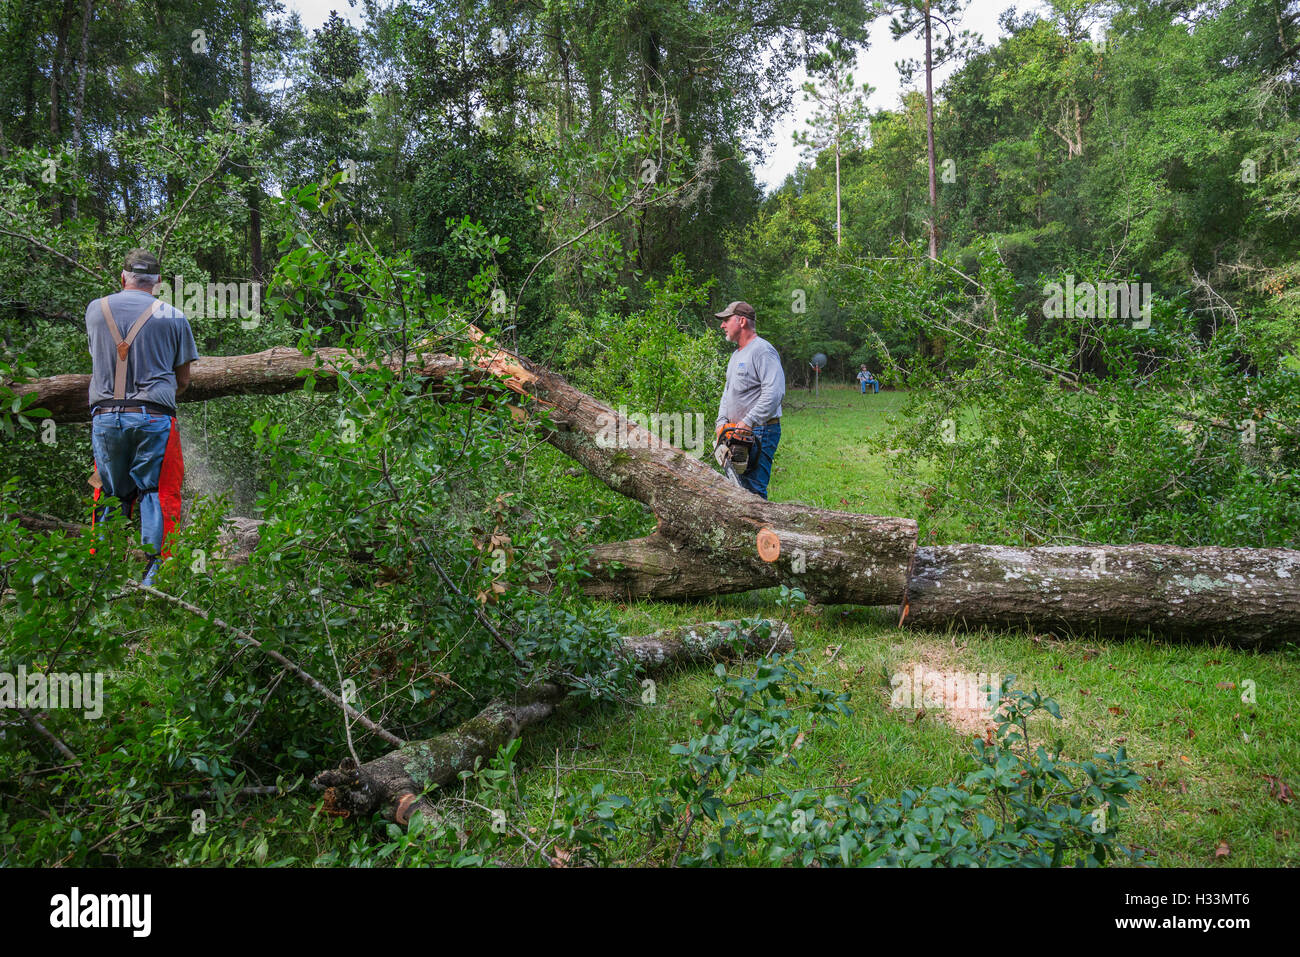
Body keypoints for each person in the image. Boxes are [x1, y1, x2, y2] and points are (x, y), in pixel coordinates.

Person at [87, 248, 199, 585]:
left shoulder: (96, 310)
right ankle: (156, 577)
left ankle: (101, 577)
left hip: (105, 420)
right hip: (155, 420)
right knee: (159, 492)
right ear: (158, 282)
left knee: (108, 491)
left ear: (123, 278)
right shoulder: (174, 316)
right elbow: (183, 380)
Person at [713, 300, 785, 499]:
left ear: (742, 321)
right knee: (737, 490)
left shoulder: (762, 350)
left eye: (726, 320)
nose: (722, 325)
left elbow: (775, 392)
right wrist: (721, 423)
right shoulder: (736, 355)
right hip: (735, 433)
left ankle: (763, 529)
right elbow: (727, 393)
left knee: (753, 492)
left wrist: (748, 421)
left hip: (760, 431)